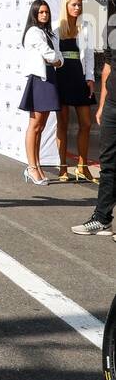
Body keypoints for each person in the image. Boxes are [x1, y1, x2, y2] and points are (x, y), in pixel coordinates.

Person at [73, 36, 116, 236]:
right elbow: (107, 67)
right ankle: (101, 218)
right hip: (112, 107)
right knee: (108, 163)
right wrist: (102, 106)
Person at [18, 0, 62, 187]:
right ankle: (31, 167)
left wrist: (56, 60)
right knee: (35, 125)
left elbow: (58, 56)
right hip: (40, 80)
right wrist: (56, 60)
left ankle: (36, 166)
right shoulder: (34, 32)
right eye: (41, 12)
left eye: (46, 12)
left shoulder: (48, 32)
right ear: (34, 14)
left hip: (49, 78)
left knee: (41, 126)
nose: (44, 15)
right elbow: (51, 55)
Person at [55, 0, 97, 183]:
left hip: (79, 79)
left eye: (80, 5)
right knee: (62, 124)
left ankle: (82, 166)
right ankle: (63, 167)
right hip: (61, 79)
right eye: (74, 5)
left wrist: (90, 78)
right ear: (66, 6)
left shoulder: (86, 27)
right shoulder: (56, 28)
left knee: (86, 124)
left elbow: (89, 55)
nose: (78, 8)